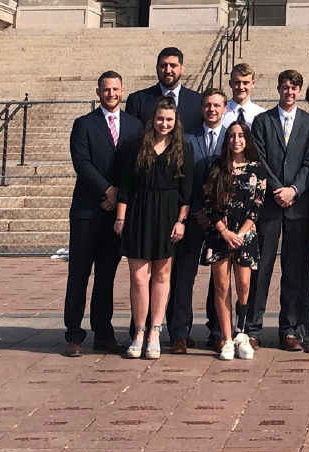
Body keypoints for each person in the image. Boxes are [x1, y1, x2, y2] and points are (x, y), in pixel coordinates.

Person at [63, 71, 143, 357]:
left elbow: (137, 165)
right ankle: (73, 334)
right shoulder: (84, 124)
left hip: (115, 214)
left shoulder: (135, 126)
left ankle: (103, 333)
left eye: (116, 89)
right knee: (79, 275)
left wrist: (118, 194)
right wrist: (106, 191)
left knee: (106, 276)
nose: (111, 93)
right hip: (87, 210)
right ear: (98, 92)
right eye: (106, 89)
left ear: (122, 91)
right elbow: (81, 163)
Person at [111, 96, 196, 359]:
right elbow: (125, 186)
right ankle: (138, 331)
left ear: (176, 121)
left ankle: (155, 333)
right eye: (160, 118)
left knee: (162, 275)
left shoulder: (183, 147)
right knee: (138, 277)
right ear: (153, 119)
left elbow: (186, 191)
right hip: (138, 211)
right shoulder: (136, 146)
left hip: (168, 214)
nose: (164, 123)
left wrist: (181, 221)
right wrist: (121, 218)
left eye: (169, 119)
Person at [248, 69, 309, 350]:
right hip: (269, 205)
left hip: (298, 207)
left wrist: (295, 190)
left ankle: (289, 329)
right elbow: (260, 159)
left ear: (300, 92)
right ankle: (253, 328)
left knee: (294, 270)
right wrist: (278, 189)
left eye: (294, 88)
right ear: (278, 88)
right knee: (261, 269)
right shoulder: (262, 121)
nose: (289, 92)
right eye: (285, 87)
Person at [200, 119, 266, 361]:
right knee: (222, 287)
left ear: (246, 139)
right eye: (232, 136)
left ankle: (242, 333)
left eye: (241, 135)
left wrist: (241, 232)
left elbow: (258, 203)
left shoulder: (257, 169)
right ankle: (226, 339)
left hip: (244, 236)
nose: (236, 140)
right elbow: (208, 202)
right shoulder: (215, 168)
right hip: (220, 236)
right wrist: (224, 231)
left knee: (244, 287)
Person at [171, 88, 230, 353]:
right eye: (207, 105)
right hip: (193, 216)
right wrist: (197, 210)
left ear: (224, 109)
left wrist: (217, 213)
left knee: (220, 279)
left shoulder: (232, 138)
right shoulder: (186, 138)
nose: (212, 110)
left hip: (221, 221)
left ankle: (217, 331)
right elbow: (181, 177)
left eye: (217, 105)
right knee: (184, 276)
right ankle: (180, 333)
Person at [126, 46, 204, 132]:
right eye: (163, 66)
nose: (168, 70)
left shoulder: (198, 101)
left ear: (182, 68)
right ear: (157, 68)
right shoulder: (138, 101)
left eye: (173, 66)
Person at [224, 64, 262, 129]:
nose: (241, 87)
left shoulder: (261, 115)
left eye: (245, 83)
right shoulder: (221, 114)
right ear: (230, 83)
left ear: (253, 83)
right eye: (237, 82)